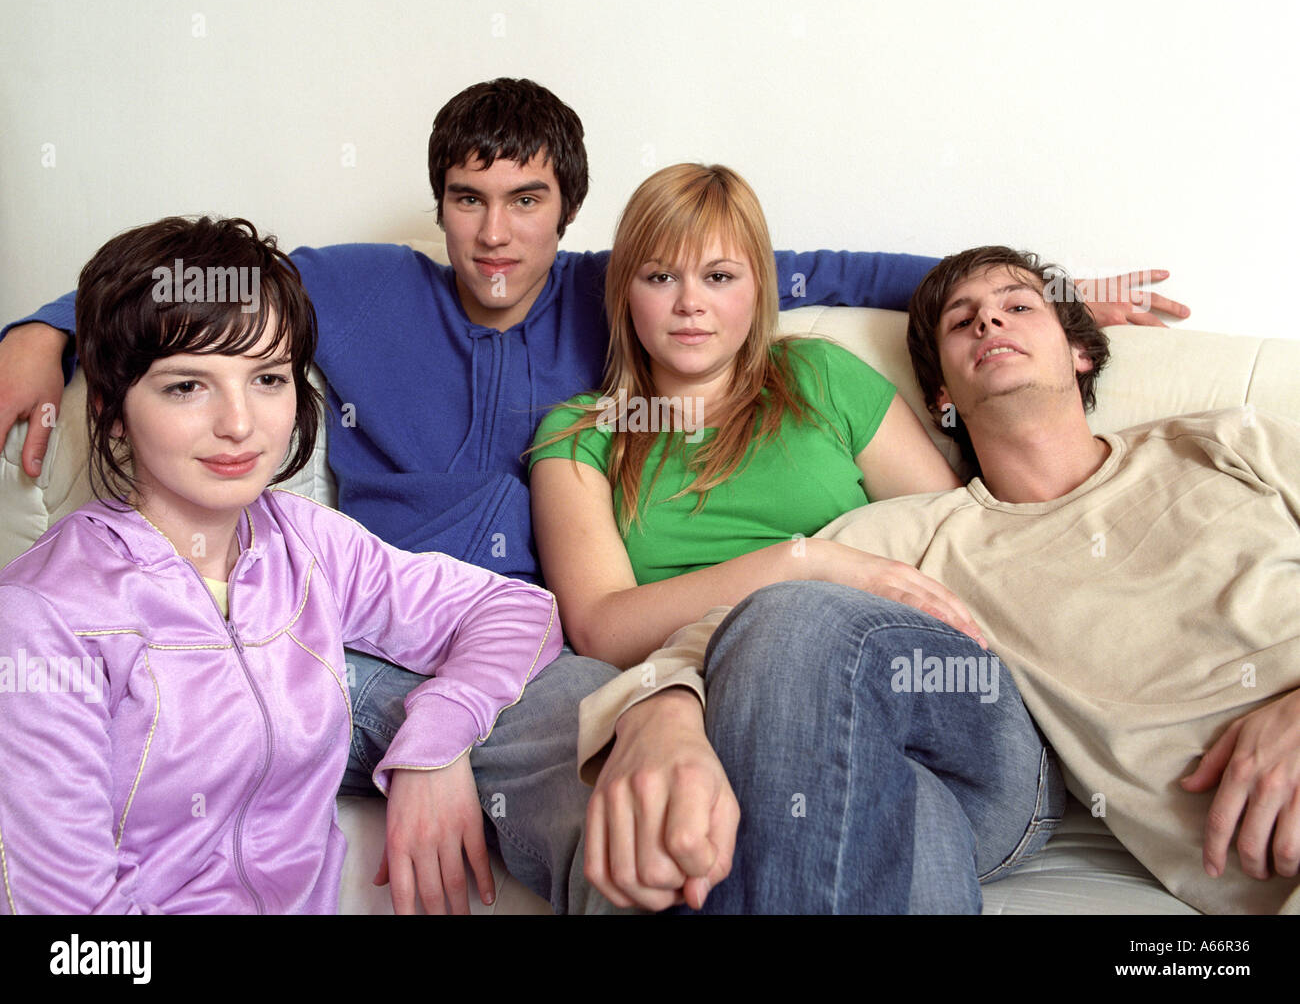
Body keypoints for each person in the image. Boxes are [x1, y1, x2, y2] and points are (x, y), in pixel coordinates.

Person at [0, 79, 1183, 914]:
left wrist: (1045, 294)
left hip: (676, 657)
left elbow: (932, 502)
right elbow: (190, 301)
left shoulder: (792, 365)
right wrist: (36, 332)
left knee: (715, 727)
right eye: (469, 197)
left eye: (526, 200)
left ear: (568, 216)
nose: (496, 231)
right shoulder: (468, 361)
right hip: (468, 649)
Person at [582, 244, 1300, 915]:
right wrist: (659, 714)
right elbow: (745, 631)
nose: (989, 318)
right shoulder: (920, 536)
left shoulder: (1227, 441)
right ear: (941, 402)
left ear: (1080, 352)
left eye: (1019, 305)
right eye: (964, 321)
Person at [529, 165, 1064, 912]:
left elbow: (956, 541)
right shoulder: (583, 435)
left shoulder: (818, 377)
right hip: (757, 746)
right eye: (659, 277)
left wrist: (1067, 307)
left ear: (759, 289)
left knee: (795, 619)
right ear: (623, 290)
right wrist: (800, 561)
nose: (690, 304)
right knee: (907, 808)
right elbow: (601, 624)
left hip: (939, 709)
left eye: (719, 275)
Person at [0, 215, 562, 914]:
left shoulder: (308, 542)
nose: (240, 423)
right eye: (187, 386)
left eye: (267, 378)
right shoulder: (43, 616)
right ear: (114, 412)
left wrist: (434, 742)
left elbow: (518, 609)